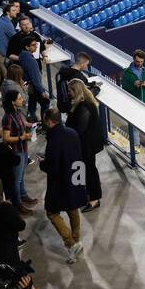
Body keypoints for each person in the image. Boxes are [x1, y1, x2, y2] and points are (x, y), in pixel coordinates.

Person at [39, 108, 88, 264]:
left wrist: (42, 164)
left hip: (60, 182)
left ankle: (71, 243)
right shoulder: (72, 133)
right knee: (73, 208)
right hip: (76, 175)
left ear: (49, 121)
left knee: (51, 212)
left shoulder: (53, 141)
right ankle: (76, 240)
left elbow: (52, 167)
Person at [66, 78, 104, 212]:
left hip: (87, 145)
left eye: (70, 91)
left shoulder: (85, 107)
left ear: (76, 91)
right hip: (85, 144)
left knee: (90, 171)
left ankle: (94, 199)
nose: (68, 93)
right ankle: (86, 193)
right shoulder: (83, 102)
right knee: (86, 169)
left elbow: (79, 129)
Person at [0, 88, 36, 210]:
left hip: (23, 149)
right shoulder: (8, 117)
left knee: (21, 176)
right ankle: (18, 204)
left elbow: (23, 123)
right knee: (16, 179)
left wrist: (31, 125)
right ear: (12, 102)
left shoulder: (17, 112)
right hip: (16, 152)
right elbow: (6, 138)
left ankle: (23, 194)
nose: (22, 100)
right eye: (19, 98)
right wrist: (22, 137)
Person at [18, 38, 51, 123]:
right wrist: (42, 91)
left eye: (36, 44)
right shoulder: (30, 60)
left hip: (29, 85)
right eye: (33, 45)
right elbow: (35, 77)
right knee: (45, 103)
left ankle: (31, 119)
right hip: (34, 86)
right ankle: (44, 124)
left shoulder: (22, 55)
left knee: (32, 101)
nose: (36, 46)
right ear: (27, 47)